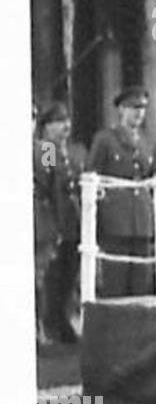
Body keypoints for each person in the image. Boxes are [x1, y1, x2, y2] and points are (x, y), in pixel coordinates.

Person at [88, 85, 156, 298]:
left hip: (142, 222)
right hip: (115, 222)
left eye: (142, 108)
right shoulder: (106, 139)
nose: (138, 113)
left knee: (141, 284)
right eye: (132, 107)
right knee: (116, 285)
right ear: (121, 110)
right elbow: (93, 175)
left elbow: (153, 174)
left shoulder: (149, 141)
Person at [33, 102, 85, 342]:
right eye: (58, 122)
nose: (65, 126)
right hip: (56, 222)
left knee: (69, 275)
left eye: (67, 121)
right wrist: (53, 224)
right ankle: (50, 324)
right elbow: (46, 187)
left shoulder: (74, 151)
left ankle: (62, 321)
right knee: (51, 277)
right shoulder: (47, 150)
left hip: (74, 221)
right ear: (46, 127)